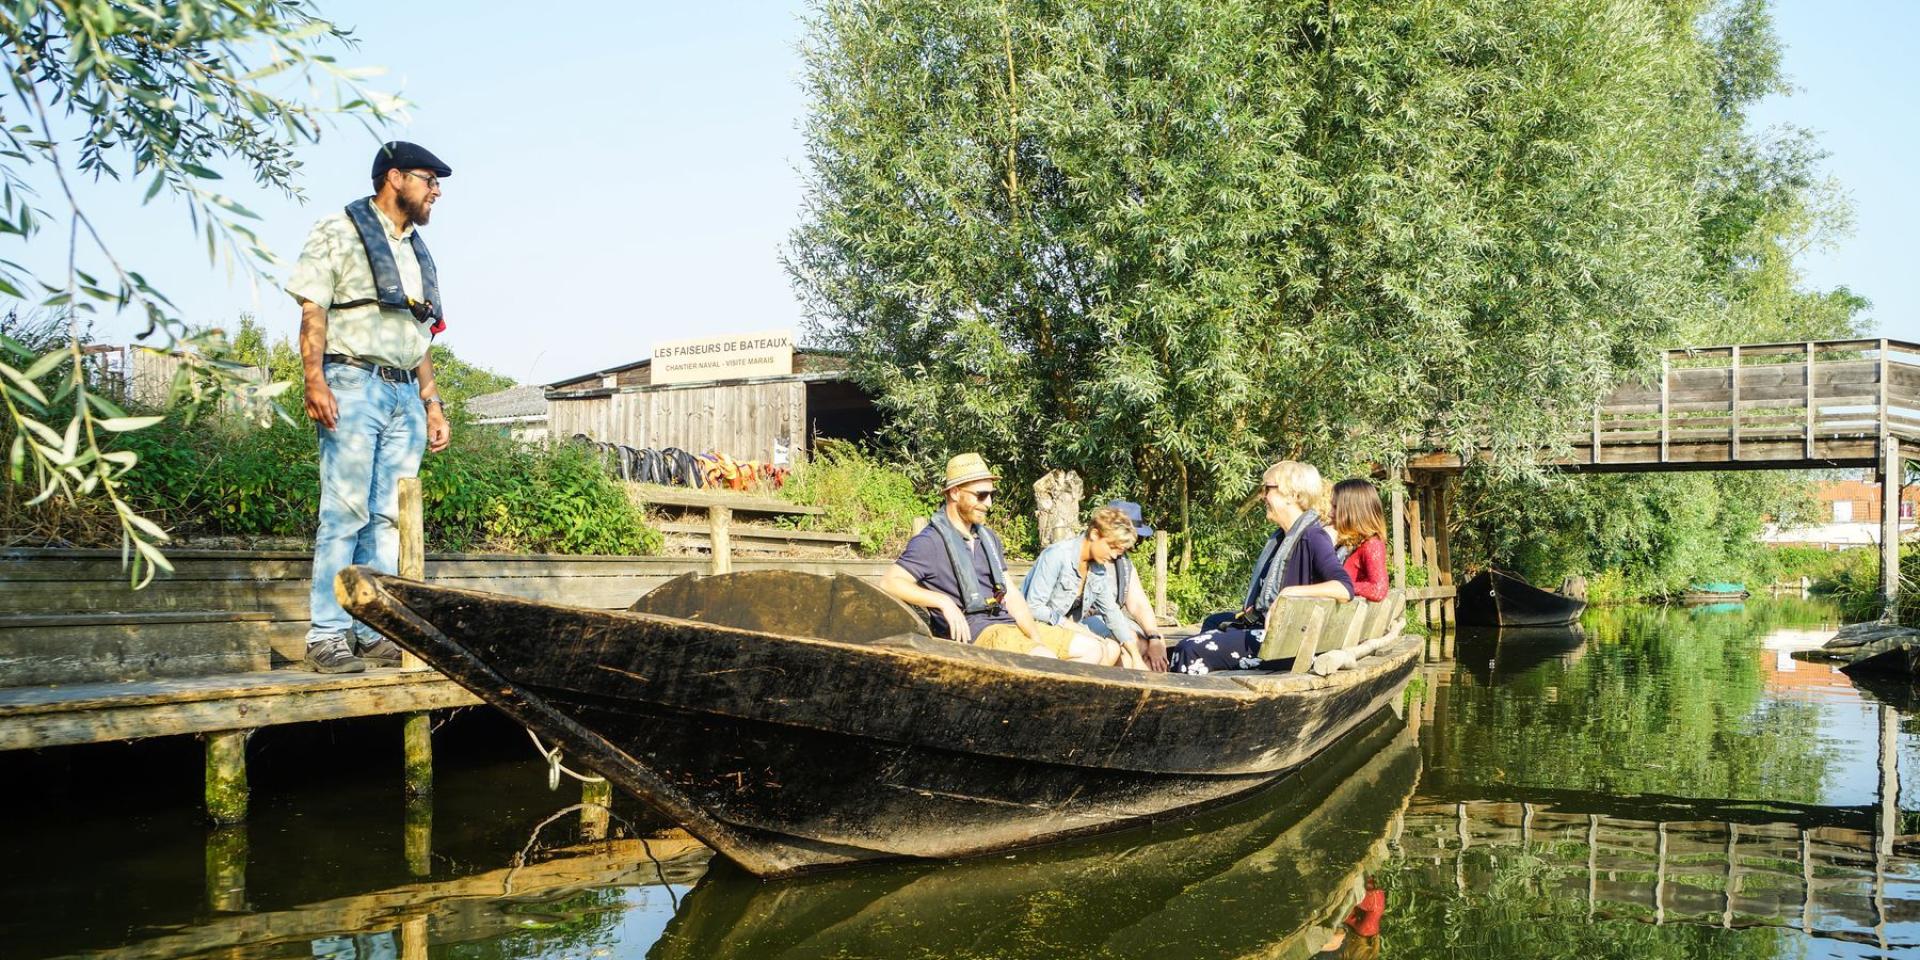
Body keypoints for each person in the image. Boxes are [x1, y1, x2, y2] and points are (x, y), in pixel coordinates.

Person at [288, 141, 454, 674]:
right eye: (429, 179)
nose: (436, 190)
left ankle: (368, 630)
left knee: (384, 519)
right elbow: (314, 309)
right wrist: (314, 380)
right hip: (353, 380)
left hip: (406, 391)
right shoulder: (338, 230)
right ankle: (326, 635)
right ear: (394, 177)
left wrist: (432, 403)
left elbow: (420, 334)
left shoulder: (414, 250)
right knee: (344, 512)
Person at [881, 454, 1119, 664]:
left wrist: (1036, 638)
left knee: (1092, 650)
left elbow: (1013, 597)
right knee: (1044, 660)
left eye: (991, 495)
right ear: (955, 492)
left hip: (1006, 625)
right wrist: (942, 601)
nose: (989, 503)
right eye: (981, 495)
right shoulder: (930, 542)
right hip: (978, 634)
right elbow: (890, 582)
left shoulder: (988, 539)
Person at [1170, 461, 1353, 675]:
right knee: (1212, 623)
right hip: (1272, 634)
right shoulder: (1283, 537)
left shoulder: (1312, 537)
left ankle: (1193, 705)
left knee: (1189, 649)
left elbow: (1344, 588)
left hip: (1285, 644)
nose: (1263, 496)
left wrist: (1289, 593)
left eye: (1268, 488)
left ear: (1292, 495)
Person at [1022, 504, 1167, 671]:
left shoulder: (1098, 569)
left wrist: (1135, 657)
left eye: (1118, 552)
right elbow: (1033, 608)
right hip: (1036, 625)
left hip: (1064, 628)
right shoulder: (1057, 555)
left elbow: (1112, 613)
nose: (1114, 556)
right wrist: (1075, 628)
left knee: (1112, 649)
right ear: (1094, 534)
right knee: (1095, 648)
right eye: (1112, 547)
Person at [1332, 478, 1390, 602]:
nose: (1330, 513)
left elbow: (1378, 589)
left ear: (1353, 511)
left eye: (1335, 507)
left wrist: (1339, 588)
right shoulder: (1349, 544)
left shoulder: (1372, 544)